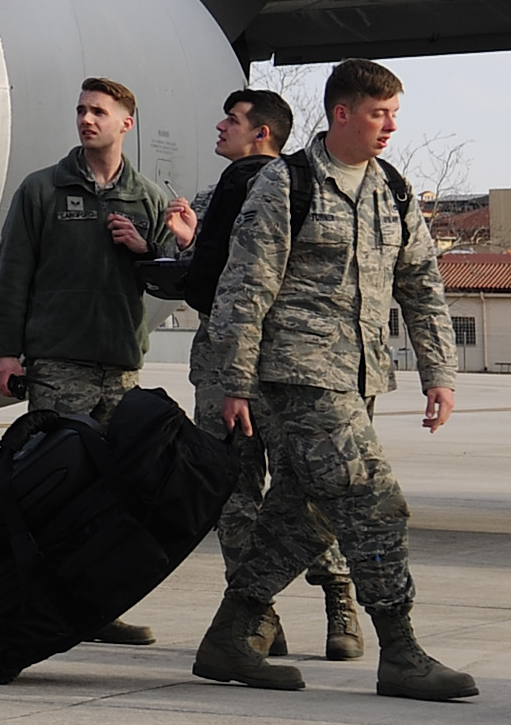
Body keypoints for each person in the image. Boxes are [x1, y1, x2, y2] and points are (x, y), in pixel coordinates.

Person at [191, 60, 471, 701]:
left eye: (395, 113)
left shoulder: (393, 190)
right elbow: (244, 286)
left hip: (362, 378)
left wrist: (440, 373)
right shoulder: (284, 184)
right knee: (375, 501)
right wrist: (235, 379)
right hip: (297, 376)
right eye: (379, 113)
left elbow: (422, 287)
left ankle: (232, 636)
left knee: (305, 512)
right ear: (342, 113)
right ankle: (401, 651)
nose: (391, 126)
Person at [0, 76, 185, 646]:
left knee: (112, 494)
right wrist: (6, 352)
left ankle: (99, 608)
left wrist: (148, 249)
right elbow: (12, 277)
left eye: (99, 111)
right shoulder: (43, 190)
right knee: (54, 487)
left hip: (120, 367)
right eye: (81, 110)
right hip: (58, 365)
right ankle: (42, 605)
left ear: (127, 123)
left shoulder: (146, 198)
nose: (86, 119)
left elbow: (169, 284)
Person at [180, 90, 356, 663]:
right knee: (231, 493)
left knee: (302, 490)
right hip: (217, 361)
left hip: (279, 367)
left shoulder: (294, 188)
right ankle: (255, 617)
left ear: (261, 133)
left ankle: (339, 602)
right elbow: (212, 272)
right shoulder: (217, 193)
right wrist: (181, 243)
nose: (220, 126)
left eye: (231, 120)